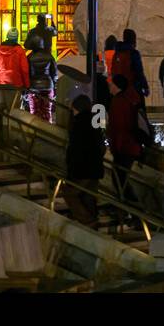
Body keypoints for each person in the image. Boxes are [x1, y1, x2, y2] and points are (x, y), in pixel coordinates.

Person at [63, 94, 105, 227]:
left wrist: (71, 169)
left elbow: (75, 150)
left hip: (82, 168)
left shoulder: (79, 124)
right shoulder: (94, 122)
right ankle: (93, 220)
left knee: (70, 193)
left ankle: (88, 220)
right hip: (95, 167)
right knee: (89, 195)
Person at [106, 73, 144, 207]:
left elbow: (119, 127)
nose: (109, 86)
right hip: (131, 146)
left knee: (120, 181)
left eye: (111, 84)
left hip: (124, 148)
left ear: (117, 86)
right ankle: (130, 211)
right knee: (121, 180)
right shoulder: (130, 98)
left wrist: (115, 148)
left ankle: (136, 213)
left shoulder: (119, 102)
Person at [25, 28, 58, 123]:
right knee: (47, 111)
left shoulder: (29, 57)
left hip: (33, 87)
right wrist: (54, 85)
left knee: (34, 111)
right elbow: (54, 73)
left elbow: (27, 73)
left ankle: (34, 131)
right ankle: (47, 131)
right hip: (48, 86)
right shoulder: (49, 56)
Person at [118, 28, 150, 99]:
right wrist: (145, 87)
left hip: (119, 88)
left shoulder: (117, 52)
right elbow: (139, 72)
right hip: (132, 87)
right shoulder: (134, 53)